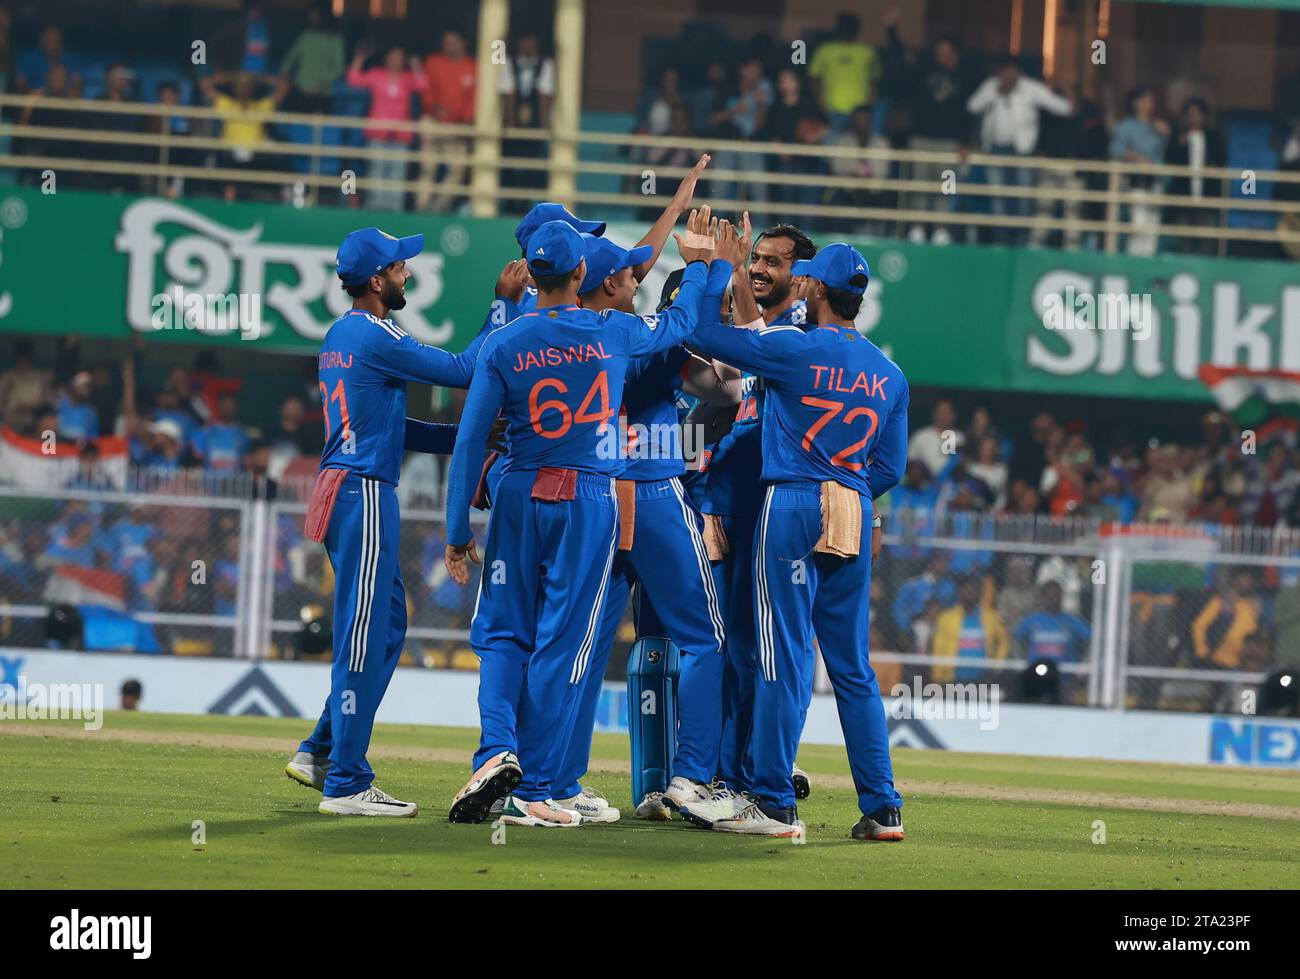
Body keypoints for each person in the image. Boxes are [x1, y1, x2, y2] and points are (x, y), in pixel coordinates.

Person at [442, 212, 716, 828]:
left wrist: (457, 532)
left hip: (517, 493)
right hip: (587, 497)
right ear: (581, 273)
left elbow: (467, 442)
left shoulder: (503, 340)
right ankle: (537, 787)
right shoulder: (613, 331)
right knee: (566, 642)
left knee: (503, 634)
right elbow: (676, 323)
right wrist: (697, 269)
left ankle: (499, 752)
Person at [687, 236, 909, 841]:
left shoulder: (794, 347)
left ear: (813, 289)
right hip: (853, 506)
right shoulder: (890, 374)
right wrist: (852, 493)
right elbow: (891, 468)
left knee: (782, 655)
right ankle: (882, 807)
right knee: (852, 665)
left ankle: (774, 802)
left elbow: (708, 337)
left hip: (792, 503)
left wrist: (716, 271)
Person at [284, 227, 487, 818]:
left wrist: (466, 439)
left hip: (345, 486)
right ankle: (346, 781)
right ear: (377, 281)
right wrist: (502, 306)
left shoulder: (343, 334)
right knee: (365, 631)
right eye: (400, 266)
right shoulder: (376, 333)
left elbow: (395, 428)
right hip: (364, 490)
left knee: (385, 624)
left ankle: (321, 749)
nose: (408, 274)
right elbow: (463, 368)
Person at [551, 230, 741, 825]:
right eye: (632, 274)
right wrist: (709, 274)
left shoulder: (562, 336)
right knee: (704, 638)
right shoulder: (652, 338)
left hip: (593, 491)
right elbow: (728, 388)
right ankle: (689, 778)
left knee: (581, 646)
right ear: (610, 284)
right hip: (655, 494)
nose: (639, 278)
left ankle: (554, 782)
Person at [685, 221, 817, 824]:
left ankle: (760, 781)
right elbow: (745, 349)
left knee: (764, 649)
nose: (762, 269)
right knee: (748, 647)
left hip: (773, 509)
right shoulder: (777, 334)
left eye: (773, 262)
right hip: (748, 504)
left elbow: (746, 353)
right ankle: (747, 771)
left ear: (803, 276)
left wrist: (730, 272)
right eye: (756, 259)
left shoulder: (802, 337)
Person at [966, 57, 1071, 245]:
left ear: (1019, 72)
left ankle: (1021, 239)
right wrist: (994, 94)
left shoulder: (1030, 88)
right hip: (996, 150)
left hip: (1022, 152)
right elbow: (972, 106)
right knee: (997, 196)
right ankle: (1000, 239)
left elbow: (1060, 107)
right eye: (1004, 71)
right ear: (999, 72)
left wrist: (1068, 96)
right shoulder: (991, 87)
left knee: (1023, 195)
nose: (1008, 75)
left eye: (1012, 71)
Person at [346, 46, 427, 211]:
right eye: (393, 57)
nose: (396, 61)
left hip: (401, 135)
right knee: (376, 170)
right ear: (387, 59)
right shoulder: (377, 75)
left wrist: (416, 66)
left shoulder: (407, 78)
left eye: (400, 58)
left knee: (397, 172)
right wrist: (359, 59)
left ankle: (394, 208)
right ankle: (375, 207)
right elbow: (353, 79)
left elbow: (423, 85)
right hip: (378, 133)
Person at [198, 70, 290, 202]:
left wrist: (258, 77)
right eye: (240, 87)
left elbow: (283, 86)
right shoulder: (226, 104)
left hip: (256, 156)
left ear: (252, 89)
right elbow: (204, 84)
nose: (243, 91)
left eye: (247, 87)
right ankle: (225, 195)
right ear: (235, 90)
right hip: (228, 155)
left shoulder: (261, 106)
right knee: (210, 158)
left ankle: (283, 194)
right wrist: (233, 76)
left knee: (280, 154)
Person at [418, 30, 477, 212]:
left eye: (453, 42)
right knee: (427, 168)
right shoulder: (433, 62)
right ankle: (422, 207)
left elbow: (474, 99)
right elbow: (426, 90)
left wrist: (465, 120)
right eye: (446, 42)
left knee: (458, 169)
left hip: (457, 126)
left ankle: (439, 208)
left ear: (463, 43)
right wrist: (434, 107)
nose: (449, 46)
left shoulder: (473, 67)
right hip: (433, 122)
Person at [809, 12, 880, 132]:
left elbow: (874, 81)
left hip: (860, 114)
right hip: (831, 111)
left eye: (849, 26)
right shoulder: (825, 50)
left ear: (856, 29)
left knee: (855, 149)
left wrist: (869, 106)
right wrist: (820, 102)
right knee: (832, 148)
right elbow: (813, 77)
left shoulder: (867, 52)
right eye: (843, 26)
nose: (847, 29)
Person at [279, 3, 344, 114]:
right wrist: (285, 74)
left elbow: (338, 68)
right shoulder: (305, 36)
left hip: (322, 94)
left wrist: (320, 84)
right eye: (311, 15)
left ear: (324, 16)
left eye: (316, 15)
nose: (313, 18)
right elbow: (290, 59)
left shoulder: (334, 40)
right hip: (301, 91)